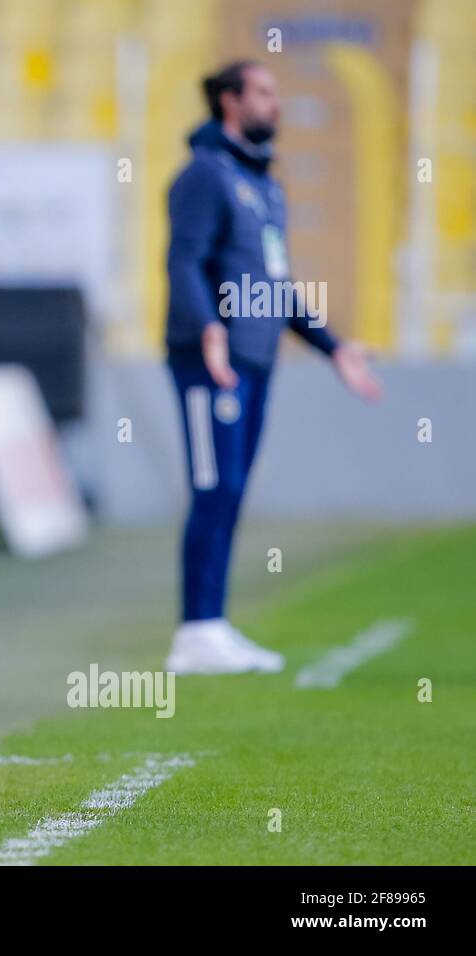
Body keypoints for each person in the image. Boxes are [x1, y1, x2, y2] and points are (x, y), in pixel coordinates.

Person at [163, 61, 382, 675]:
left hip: (255, 360)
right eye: (264, 93)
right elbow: (182, 262)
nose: (276, 105)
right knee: (214, 486)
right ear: (230, 102)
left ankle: (212, 623)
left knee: (232, 490)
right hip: (210, 361)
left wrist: (333, 347)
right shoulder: (203, 177)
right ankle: (195, 632)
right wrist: (208, 328)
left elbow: (277, 288)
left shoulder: (265, 186)